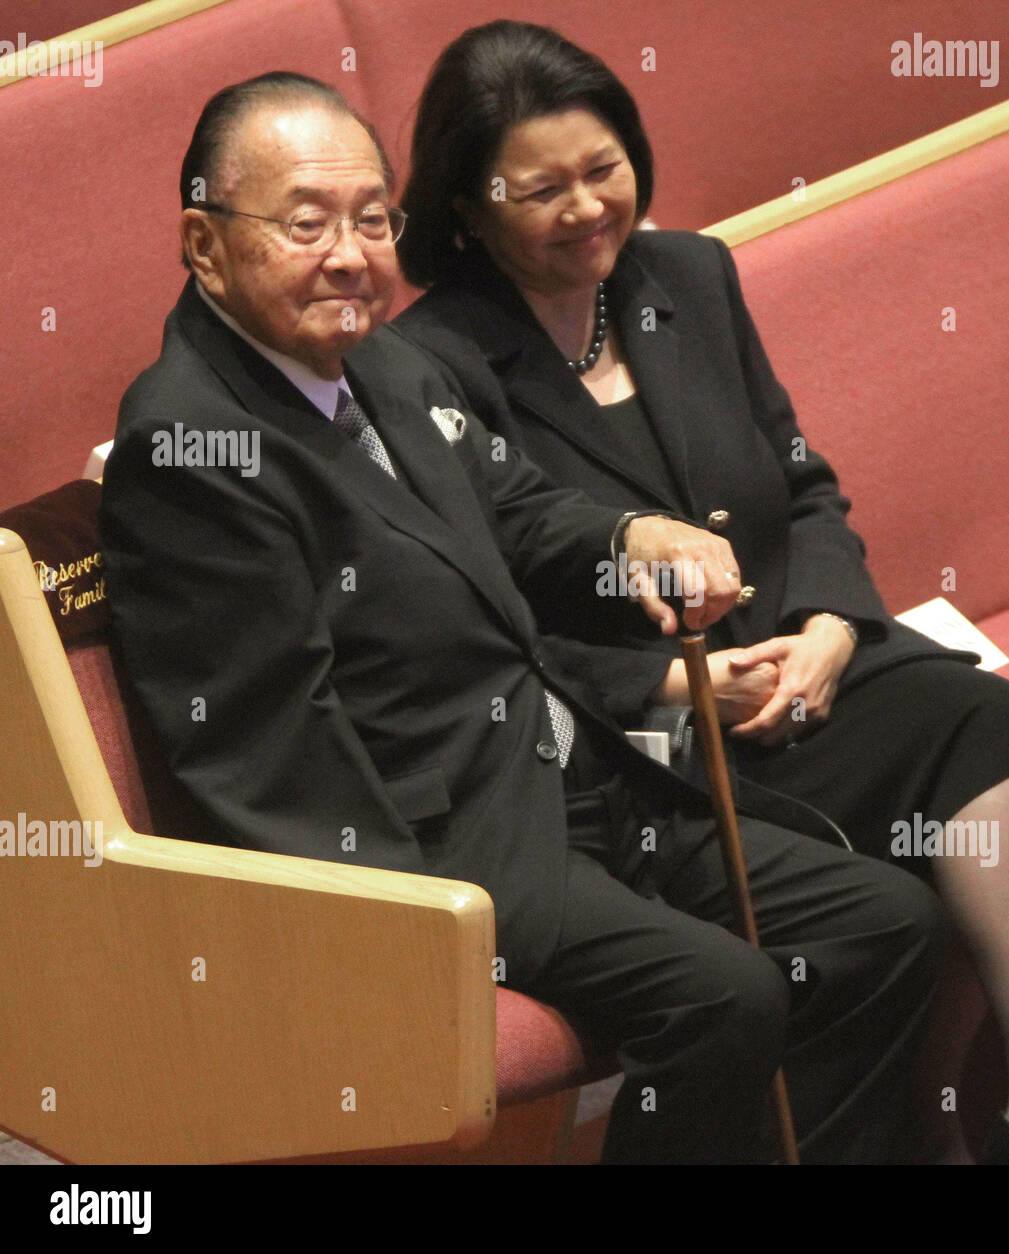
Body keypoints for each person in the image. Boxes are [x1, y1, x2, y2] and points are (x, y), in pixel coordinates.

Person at [99, 71, 950, 1165]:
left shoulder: (383, 360)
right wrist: (408, 933)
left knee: (883, 925)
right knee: (724, 998)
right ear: (204, 244)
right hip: (450, 843)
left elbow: (514, 510)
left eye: (372, 220)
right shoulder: (191, 446)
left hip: (573, 776)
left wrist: (629, 539)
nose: (352, 254)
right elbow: (271, 746)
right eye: (305, 225)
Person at [391, 21, 1009, 1164]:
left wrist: (830, 625)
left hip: (799, 668)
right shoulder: (430, 365)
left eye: (604, 169)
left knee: (979, 715)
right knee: (880, 920)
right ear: (467, 208)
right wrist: (677, 690)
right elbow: (488, 617)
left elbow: (801, 481)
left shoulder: (688, 274)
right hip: (637, 739)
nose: (588, 208)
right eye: (543, 190)